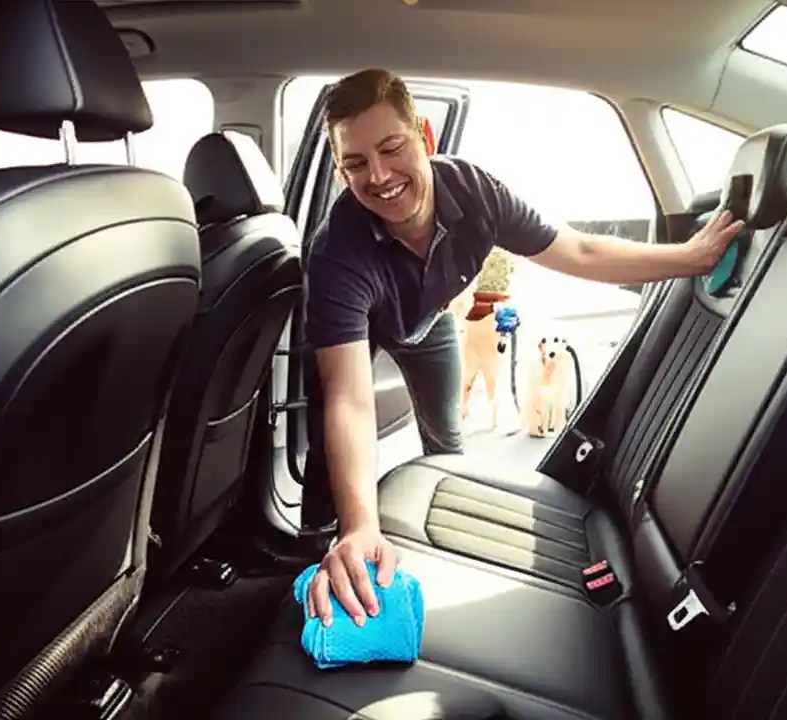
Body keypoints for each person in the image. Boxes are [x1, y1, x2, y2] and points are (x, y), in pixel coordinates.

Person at [300, 68, 744, 627]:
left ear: (426, 139)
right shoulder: (336, 250)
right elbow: (350, 400)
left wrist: (690, 258)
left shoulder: (475, 192)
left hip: (431, 318)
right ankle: (319, 541)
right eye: (356, 164)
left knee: (446, 440)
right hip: (368, 330)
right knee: (332, 441)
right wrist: (360, 525)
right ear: (341, 171)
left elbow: (578, 252)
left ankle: (441, 518)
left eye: (392, 148)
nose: (380, 176)